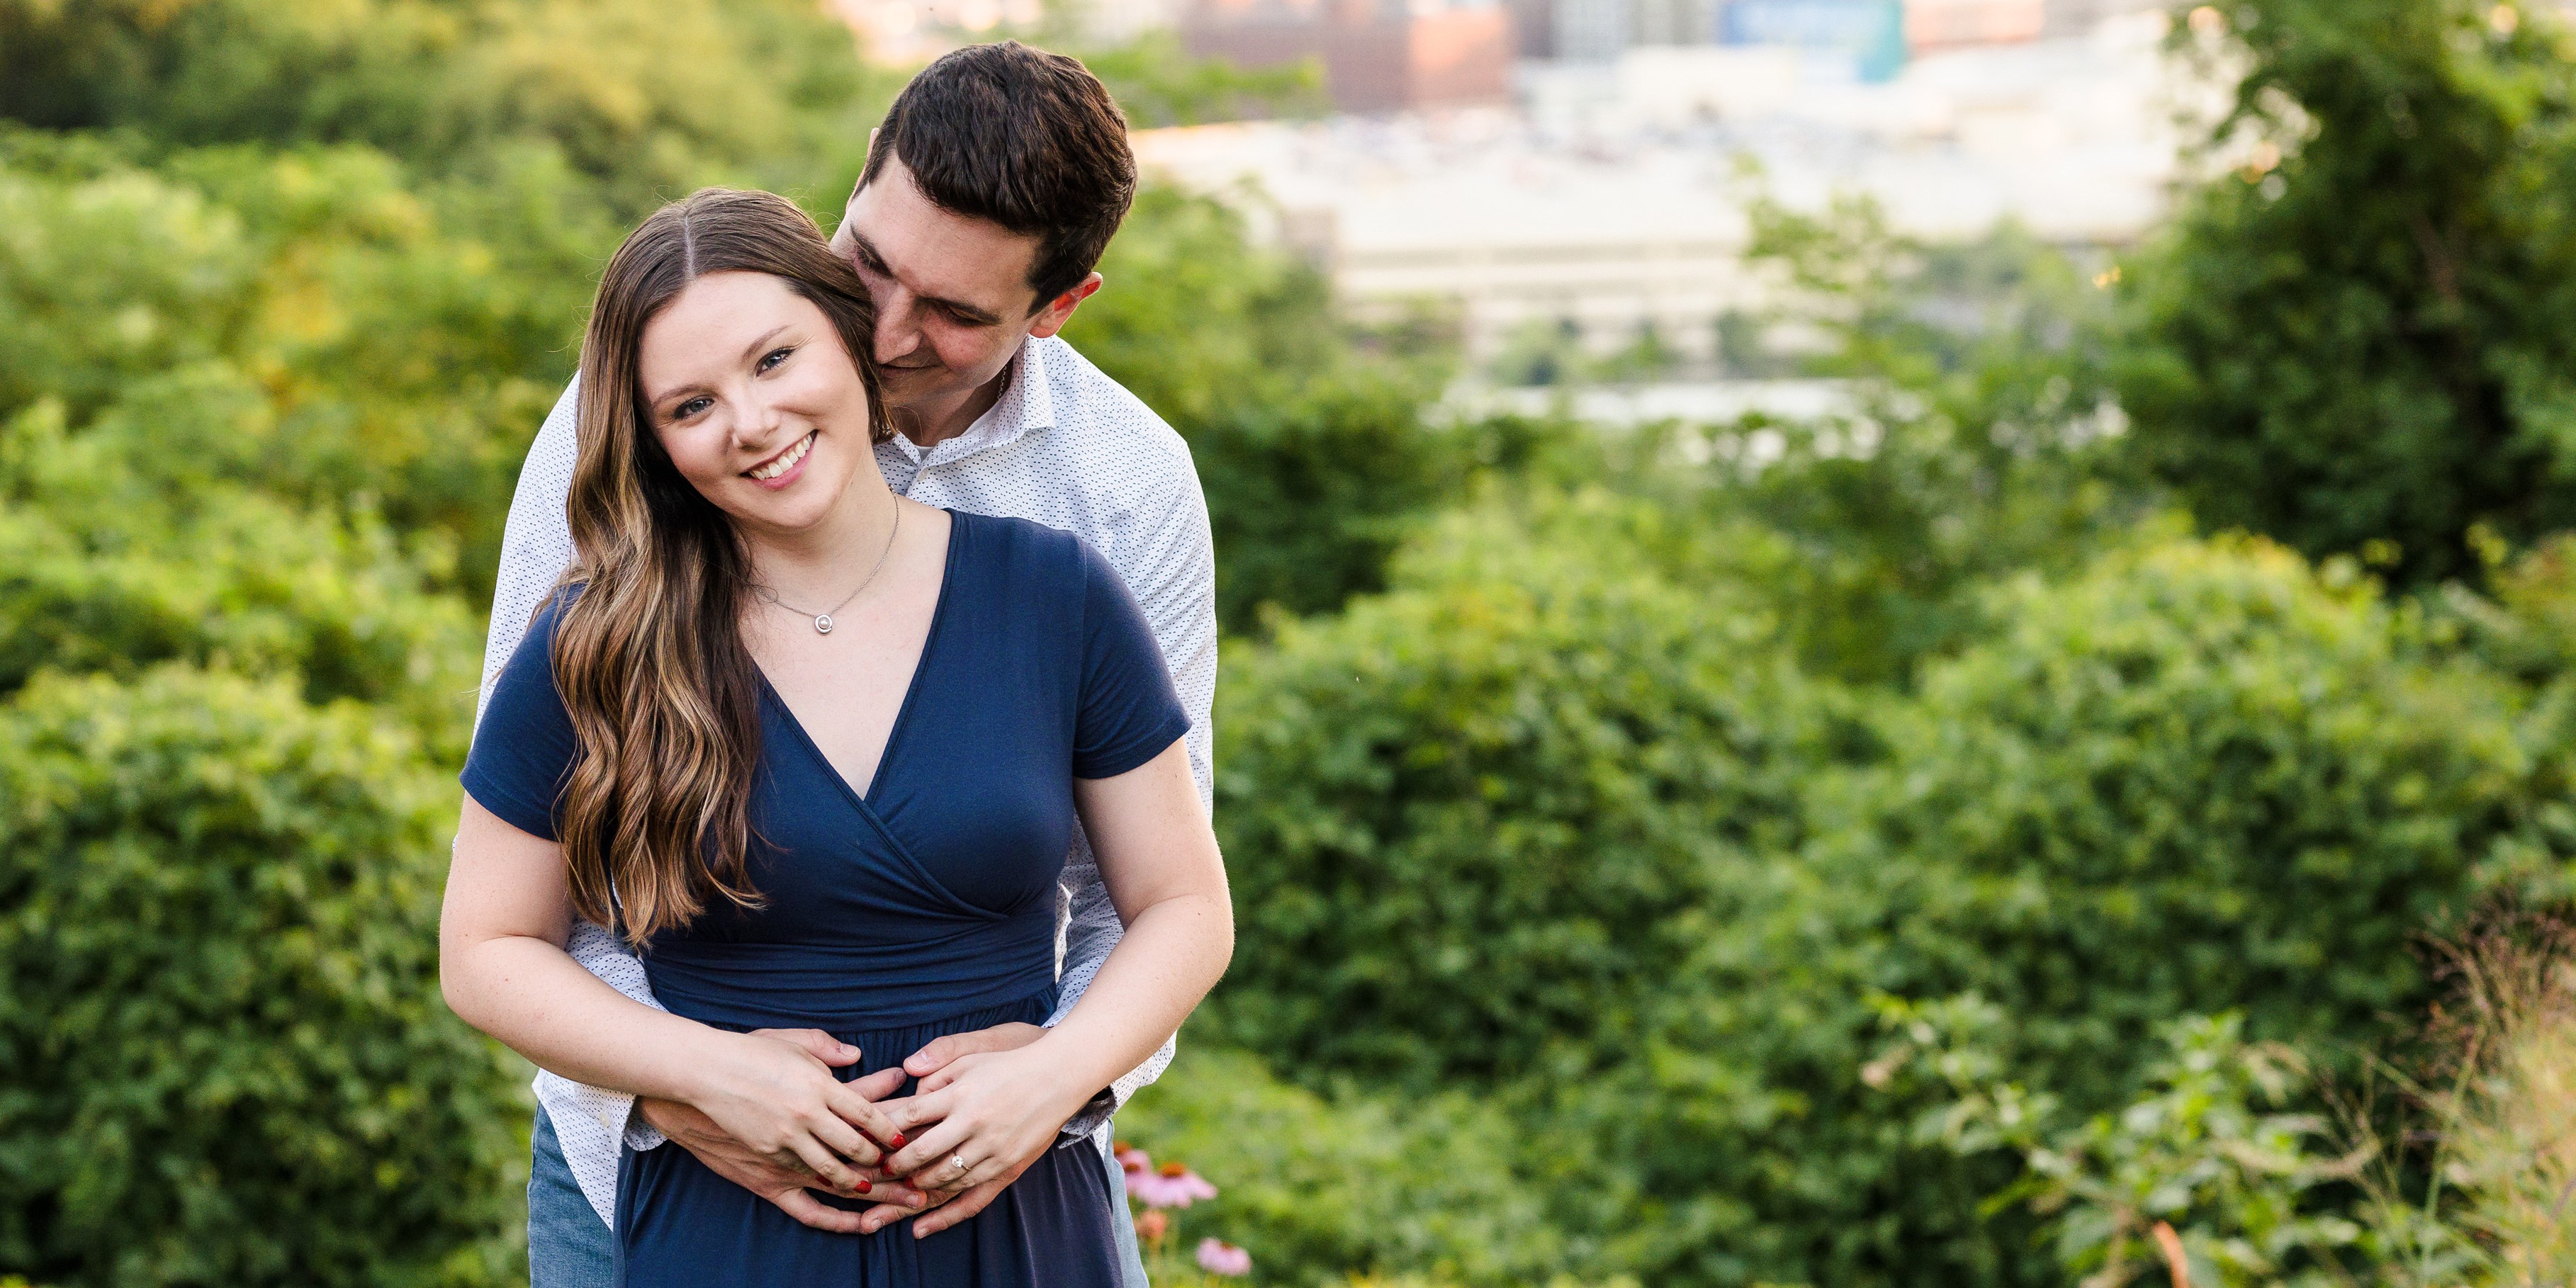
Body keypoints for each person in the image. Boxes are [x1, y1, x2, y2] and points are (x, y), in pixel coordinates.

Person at [465, 43, 1219, 1288]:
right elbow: (543, 853)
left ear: (1057, 307)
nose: (885, 328)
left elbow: (1149, 886)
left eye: (958, 313)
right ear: (857, 188)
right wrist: (689, 1086)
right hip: (646, 1156)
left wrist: (1046, 1089)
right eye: (871, 264)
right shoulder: (640, 431)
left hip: (1006, 1175)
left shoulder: (1120, 499)